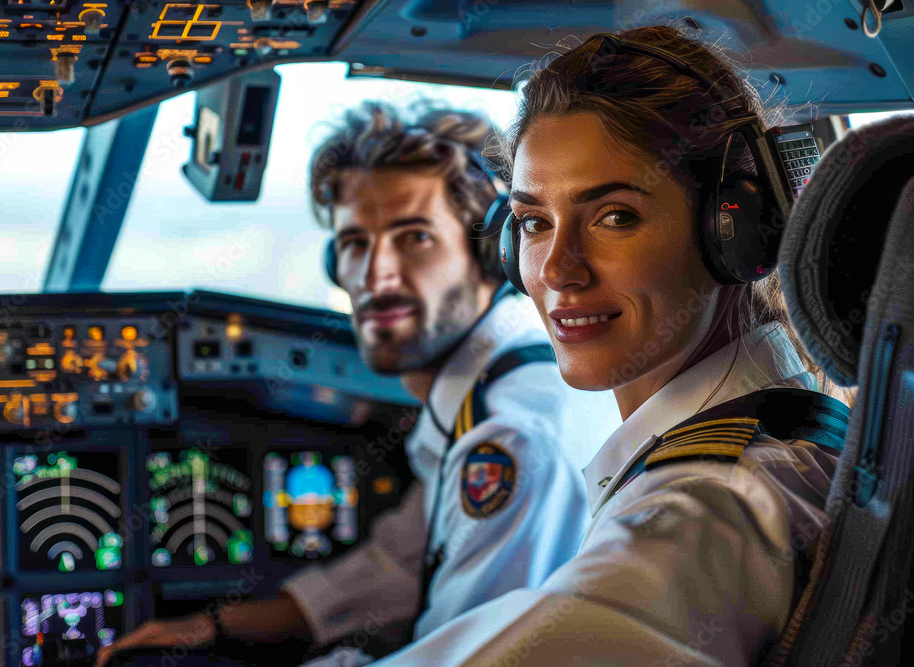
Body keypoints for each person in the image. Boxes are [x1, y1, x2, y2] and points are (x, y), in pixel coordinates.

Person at [370, 24, 853, 666]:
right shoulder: (784, 424)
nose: (557, 271)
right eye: (535, 223)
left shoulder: (711, 503)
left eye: (614, 216)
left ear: (732, 232)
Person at [95, 100, 618, 667]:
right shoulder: (490, 386)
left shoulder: (507, 435)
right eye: (354, 244)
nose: (375, 276)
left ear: (495, 251)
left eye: (413, 237)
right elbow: (401, 562)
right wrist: (213, 627)